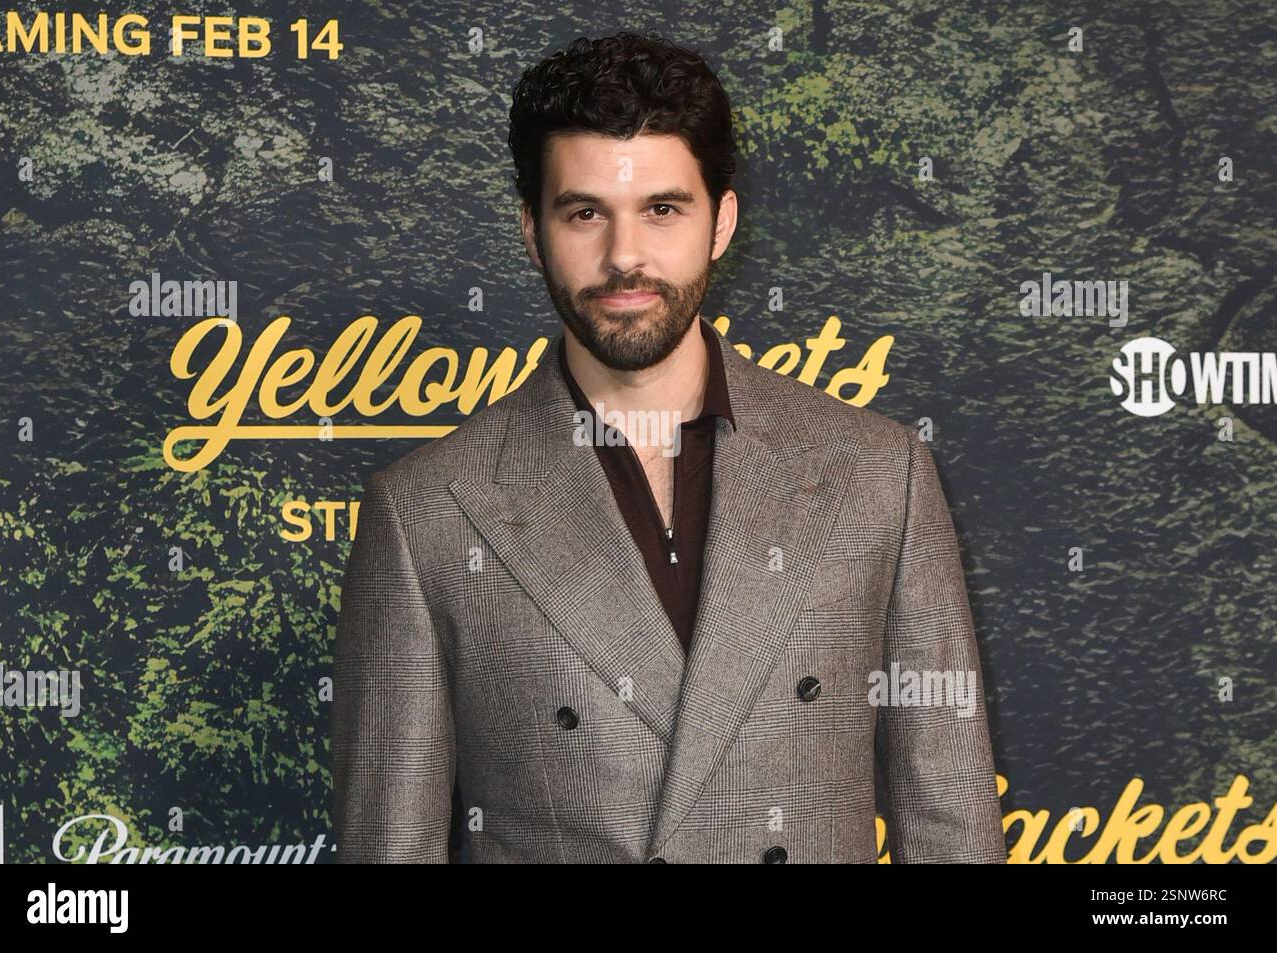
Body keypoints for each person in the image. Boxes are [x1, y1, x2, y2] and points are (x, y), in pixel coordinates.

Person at [331, 30, 1006, 863]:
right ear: (532, 232)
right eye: (585, 213)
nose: (625, 258)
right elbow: (389, 850)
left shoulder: (880, 474)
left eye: (662, 209)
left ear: (721, 222)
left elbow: (952, 829)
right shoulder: (427, 510)